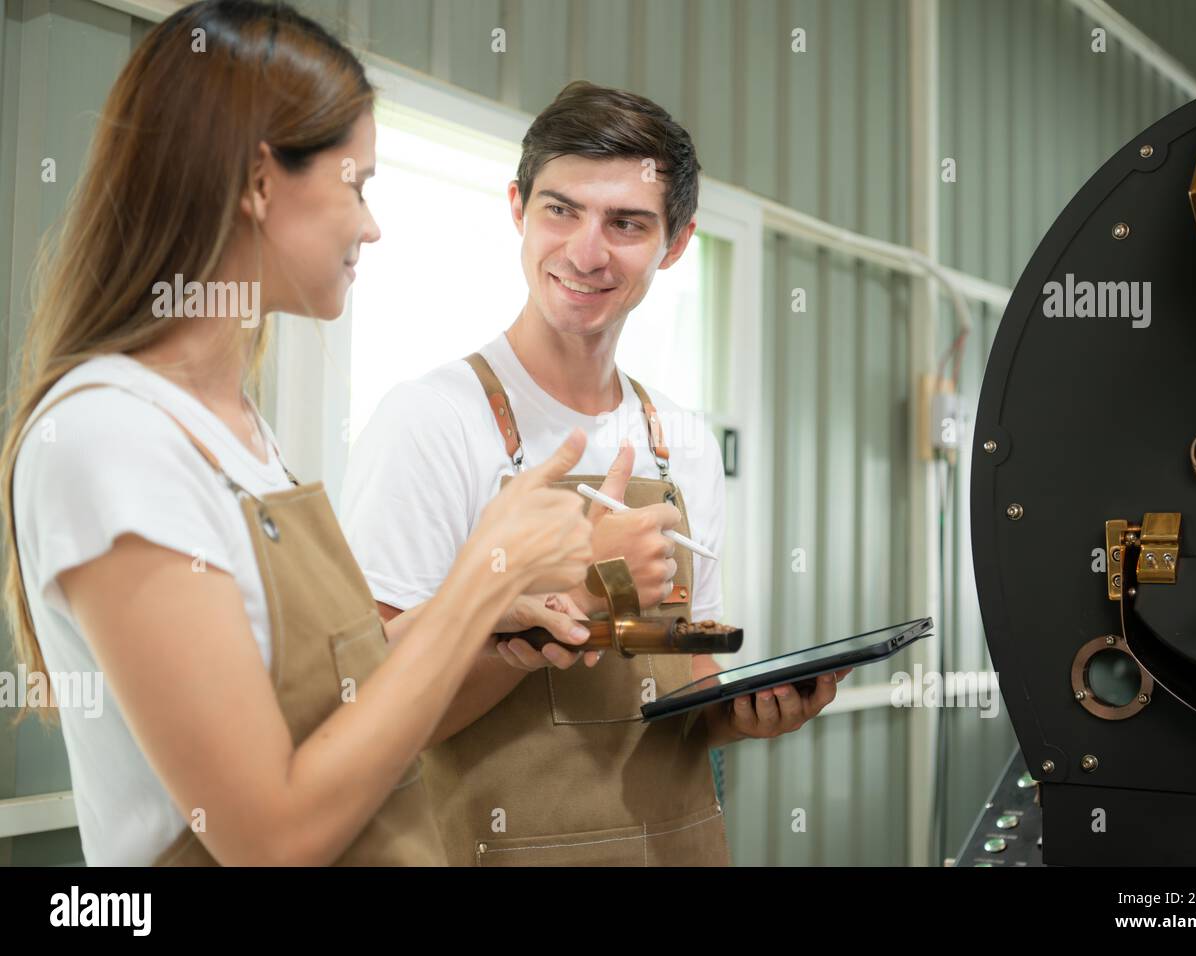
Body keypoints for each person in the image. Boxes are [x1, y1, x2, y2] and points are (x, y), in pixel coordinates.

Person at [1, 0, 593, 867]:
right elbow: (269, 838)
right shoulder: (110, 436)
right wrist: (481, 574)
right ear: (258, 180)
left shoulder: (240, 428)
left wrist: (480, 621)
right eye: (358, 184)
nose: (371, 224)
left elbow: (309, 693)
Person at [341, 81, 848, 866]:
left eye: (627, 224)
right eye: (561, 209)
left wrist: (742, 712)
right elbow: (372, 714)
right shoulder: (430, 421)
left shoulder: (683, 442)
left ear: (675, 243)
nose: (585, 251)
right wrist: (572, 602)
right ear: (517, 208)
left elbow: (688, 684)